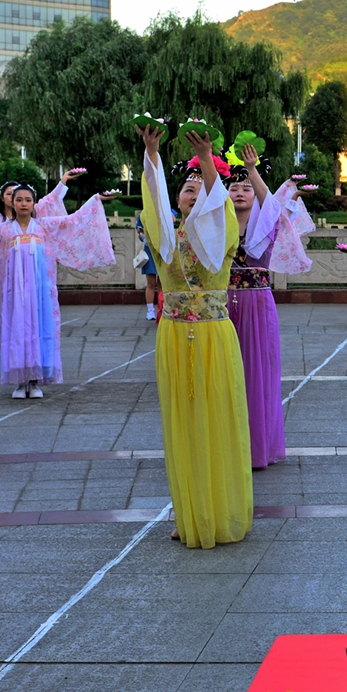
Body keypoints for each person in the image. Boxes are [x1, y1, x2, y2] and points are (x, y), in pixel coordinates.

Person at [137, 123, 254, 546]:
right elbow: (153, 201)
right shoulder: (167, 239)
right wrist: (151, 154)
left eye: (198, 188)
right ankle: (190, 513)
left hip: (212, 336)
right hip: (172, 336)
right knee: (181, 425)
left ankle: (219, 512)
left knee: (216, 419)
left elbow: (219, 203)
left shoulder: (221, 232)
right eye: (184, 188)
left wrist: (206, 160)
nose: (191, 192)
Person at [0, 175, 117, 398]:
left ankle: (36, 381)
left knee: (38, 329)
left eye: (28, 200)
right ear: (11, 202)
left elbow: (72, 222)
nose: (23, 204)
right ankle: (19, 381)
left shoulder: (44, 227)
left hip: (39, 292)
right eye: (18, 199)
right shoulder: (3, 231)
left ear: (33, 203)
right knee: (16, 330)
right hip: (13, 294)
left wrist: (95, 200)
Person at [226, 144, 317, 469]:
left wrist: (252, 170)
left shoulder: (266, 225)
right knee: (224, 375)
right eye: (233, 187)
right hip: (221, 306)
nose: (240, 192)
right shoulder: (217, 225)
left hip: (256, 303)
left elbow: (273, 205)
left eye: (246, 188)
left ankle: (255, 449)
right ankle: (225, 446)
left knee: (256, 374)